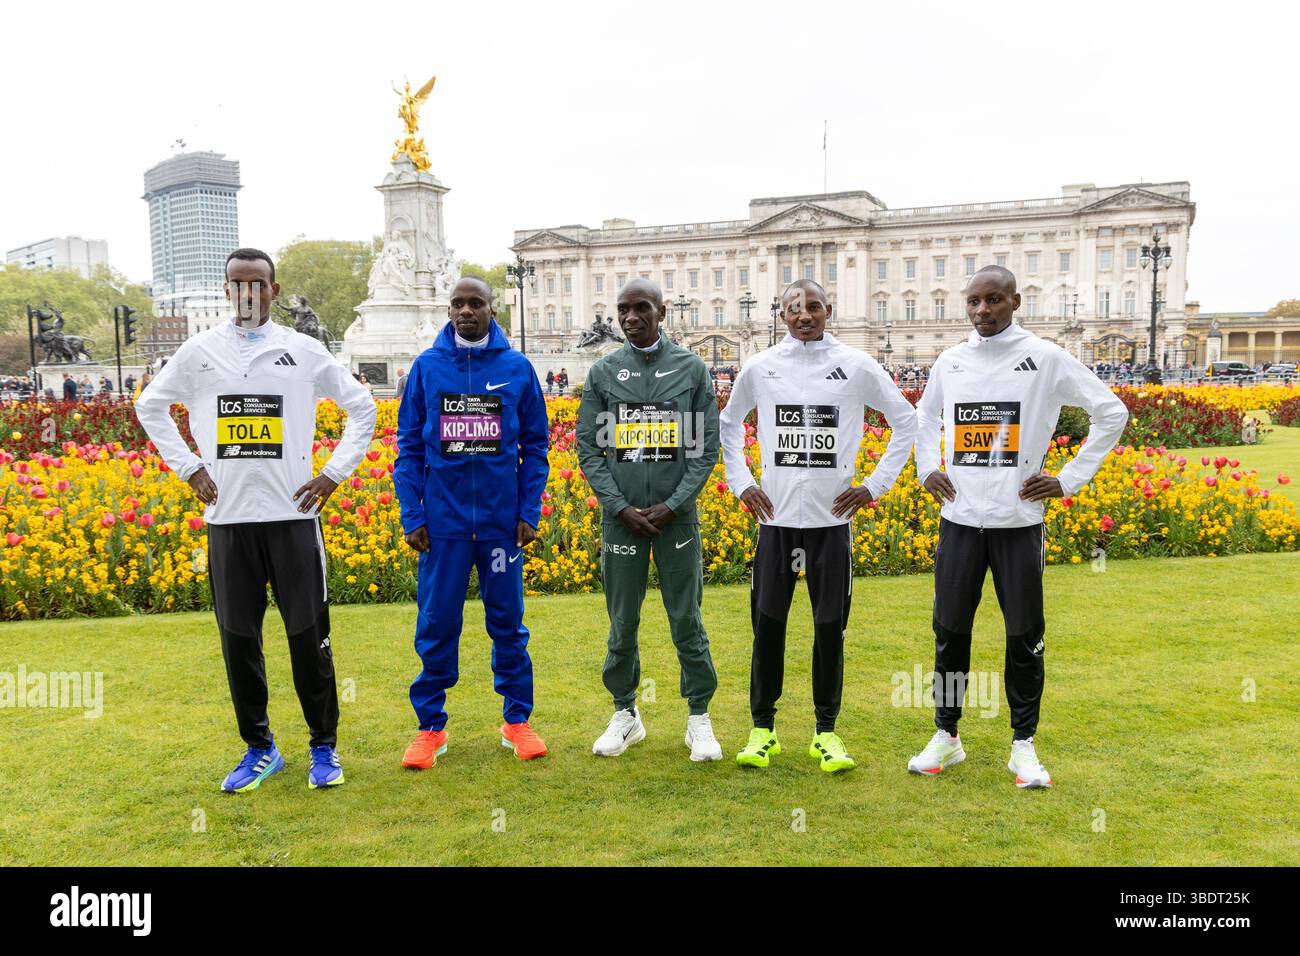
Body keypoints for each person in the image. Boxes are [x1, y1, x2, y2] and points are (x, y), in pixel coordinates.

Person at [135, 247, 377, 793]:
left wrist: (333, 474)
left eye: (259, 284)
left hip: (293, 517)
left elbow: (363, 408)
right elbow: (150, 406)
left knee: (307, 635)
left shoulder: (303, 350)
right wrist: (190, 468)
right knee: (239, 639)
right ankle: (260, 748)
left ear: (272, 289)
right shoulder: (199, 353)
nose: (249, 292)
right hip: (228, 520)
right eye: (238, 283)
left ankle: (323, 747)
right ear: (227, 291)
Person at [908, 266, 1128, 788]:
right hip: (960, 521)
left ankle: (1022, 745)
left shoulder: (1046, 358)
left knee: (1024, 635)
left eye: (993, 300)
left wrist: (1070, 479)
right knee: (949, 633)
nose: (982, 310)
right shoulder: (950, 360)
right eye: (973, 302)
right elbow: (924, 418)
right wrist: (926, 468)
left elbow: (1110, 412)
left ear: (1015, 301)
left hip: (1018, 522)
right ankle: (947, 736)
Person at [720, 280, 918, 774]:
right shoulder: (761, 367)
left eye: (812, 307)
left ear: (829, 309)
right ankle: (762, 730)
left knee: (830, 628)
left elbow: (906, 419)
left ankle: (826, 733)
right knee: (768, 627)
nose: (804, 315)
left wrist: (874, 486)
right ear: (781, 315)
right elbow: (727, 424)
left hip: (832, 525)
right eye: (793, 309)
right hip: (777, 522)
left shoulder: (856, 365)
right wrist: (742, 483)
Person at [394, 276, 551, 768]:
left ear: (492, 309)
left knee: (508, 625)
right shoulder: (427, 368)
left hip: (503, 527)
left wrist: (527, 511)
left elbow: (536, 447)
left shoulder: (517, 368)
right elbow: (408, 450)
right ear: (448, 310)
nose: (466, 310)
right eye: (458, 303)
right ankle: (430, 729)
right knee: (438, 623)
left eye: (476, 303)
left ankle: (517, 721)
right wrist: (413, 513)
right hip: (444, 527)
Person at [576, 278, 723, 762]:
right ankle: (625, 714)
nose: (631, 318)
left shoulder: (691, 368)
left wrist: (674, 504)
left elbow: (703, 450)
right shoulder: (603, 372)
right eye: (623, 310)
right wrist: (618, 507)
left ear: (662, 312)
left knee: (686, 619)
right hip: (622, 521)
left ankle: (698, 718)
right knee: (623, 622)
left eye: (642, 309)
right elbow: (590, 450)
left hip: (675, 520)